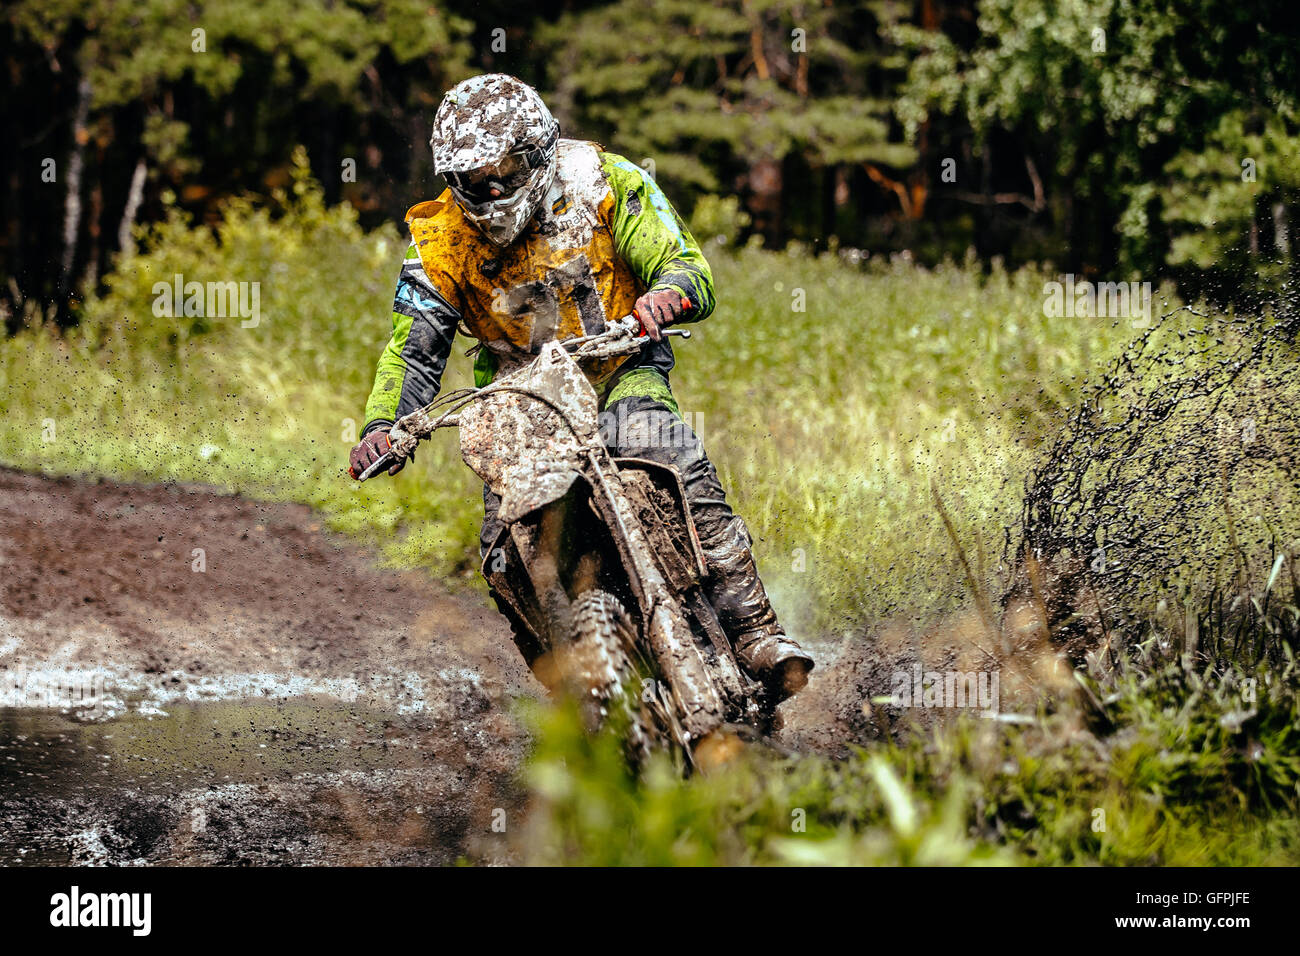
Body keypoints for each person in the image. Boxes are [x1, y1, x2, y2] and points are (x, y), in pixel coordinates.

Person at [349, 74, 813, 699]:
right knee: (503, 549)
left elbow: (684, 263)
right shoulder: (438, 241)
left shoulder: (606, 181)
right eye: (471, 181)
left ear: (539, 153)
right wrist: (384, 426)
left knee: (670, 454)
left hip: (619, 368)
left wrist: (667, 293)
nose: (490, 192)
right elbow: (413, 347)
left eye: (504, 172)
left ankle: (757, 632)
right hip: (518, 401)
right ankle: (566, 689)